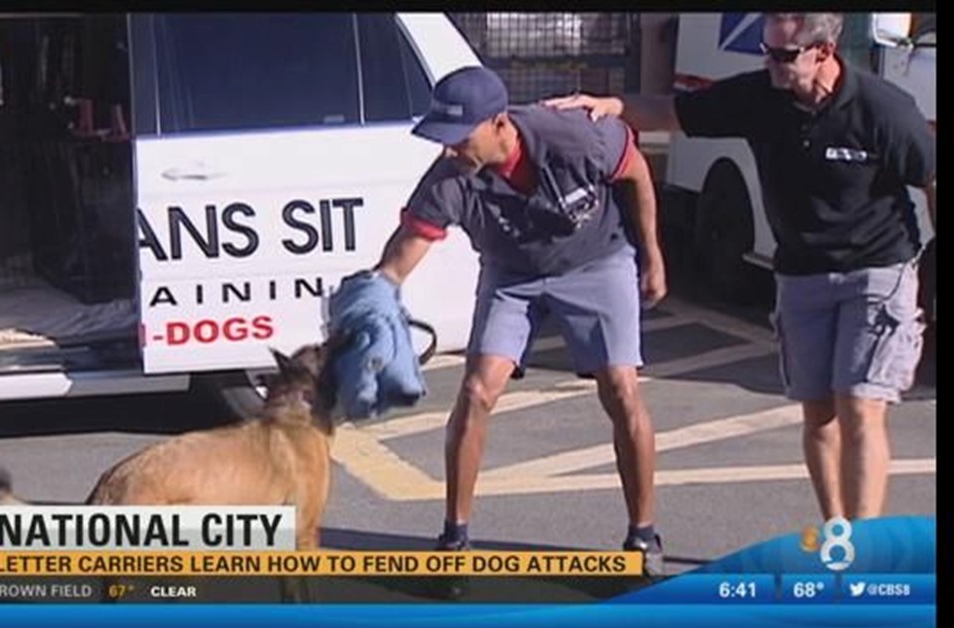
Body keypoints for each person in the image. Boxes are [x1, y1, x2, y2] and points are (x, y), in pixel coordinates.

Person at [544, 13, 936, 522]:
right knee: (818, 414)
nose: (770, 63)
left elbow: (931, 177)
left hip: (878, 271)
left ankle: (864, 546)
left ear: (825, 50)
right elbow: (672, 112)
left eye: (784, 55)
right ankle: (836, 533)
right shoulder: (759, 97)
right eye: (766, 51)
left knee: (860, 405)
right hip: (800, 272)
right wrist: (612, 106)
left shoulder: (882, 109)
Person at [370, 65, 668, 593]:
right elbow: (407, 247)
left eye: (458, 138)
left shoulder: (575, 134)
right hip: (513, 274)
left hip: (596, 262)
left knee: (622, 388)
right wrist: (376, 293)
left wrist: (652, 256)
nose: (448, 150)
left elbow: (638, 173)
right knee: (478, 390)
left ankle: (643, 536)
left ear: (500, 125)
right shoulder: (452, 176)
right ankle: (454, 541)